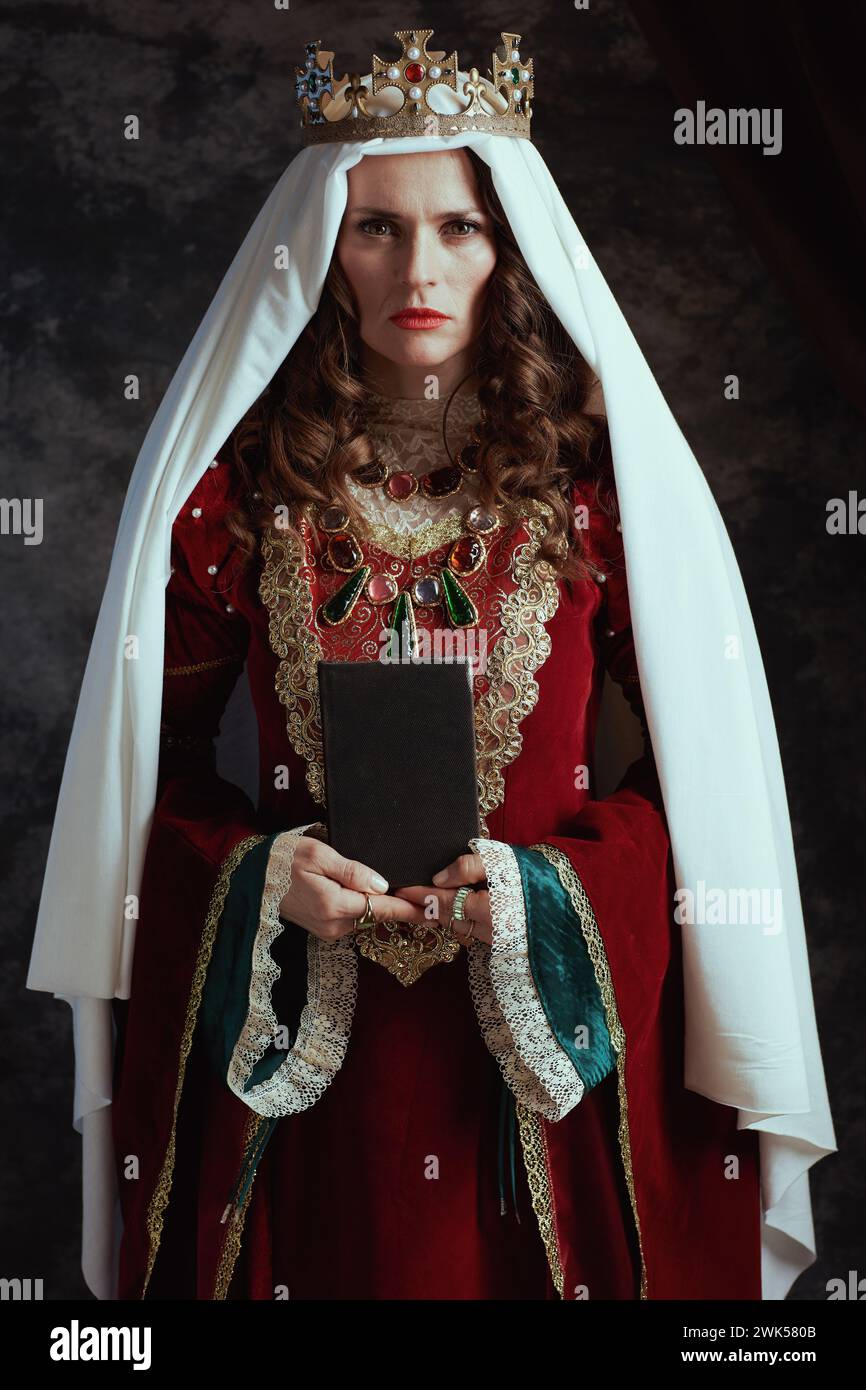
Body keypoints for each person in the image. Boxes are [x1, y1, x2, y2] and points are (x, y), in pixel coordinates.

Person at [27, 27, 835, 1302]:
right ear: (322, 249)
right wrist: (257, 875)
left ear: (505, 243)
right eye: (376, 229)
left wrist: (542, 900)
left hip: (537, 1089)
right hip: (311, 1084)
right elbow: (143, 790)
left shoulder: (601, 500)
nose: (420, 266)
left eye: (457, 227)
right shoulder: (233, 499)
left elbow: (703, 809)